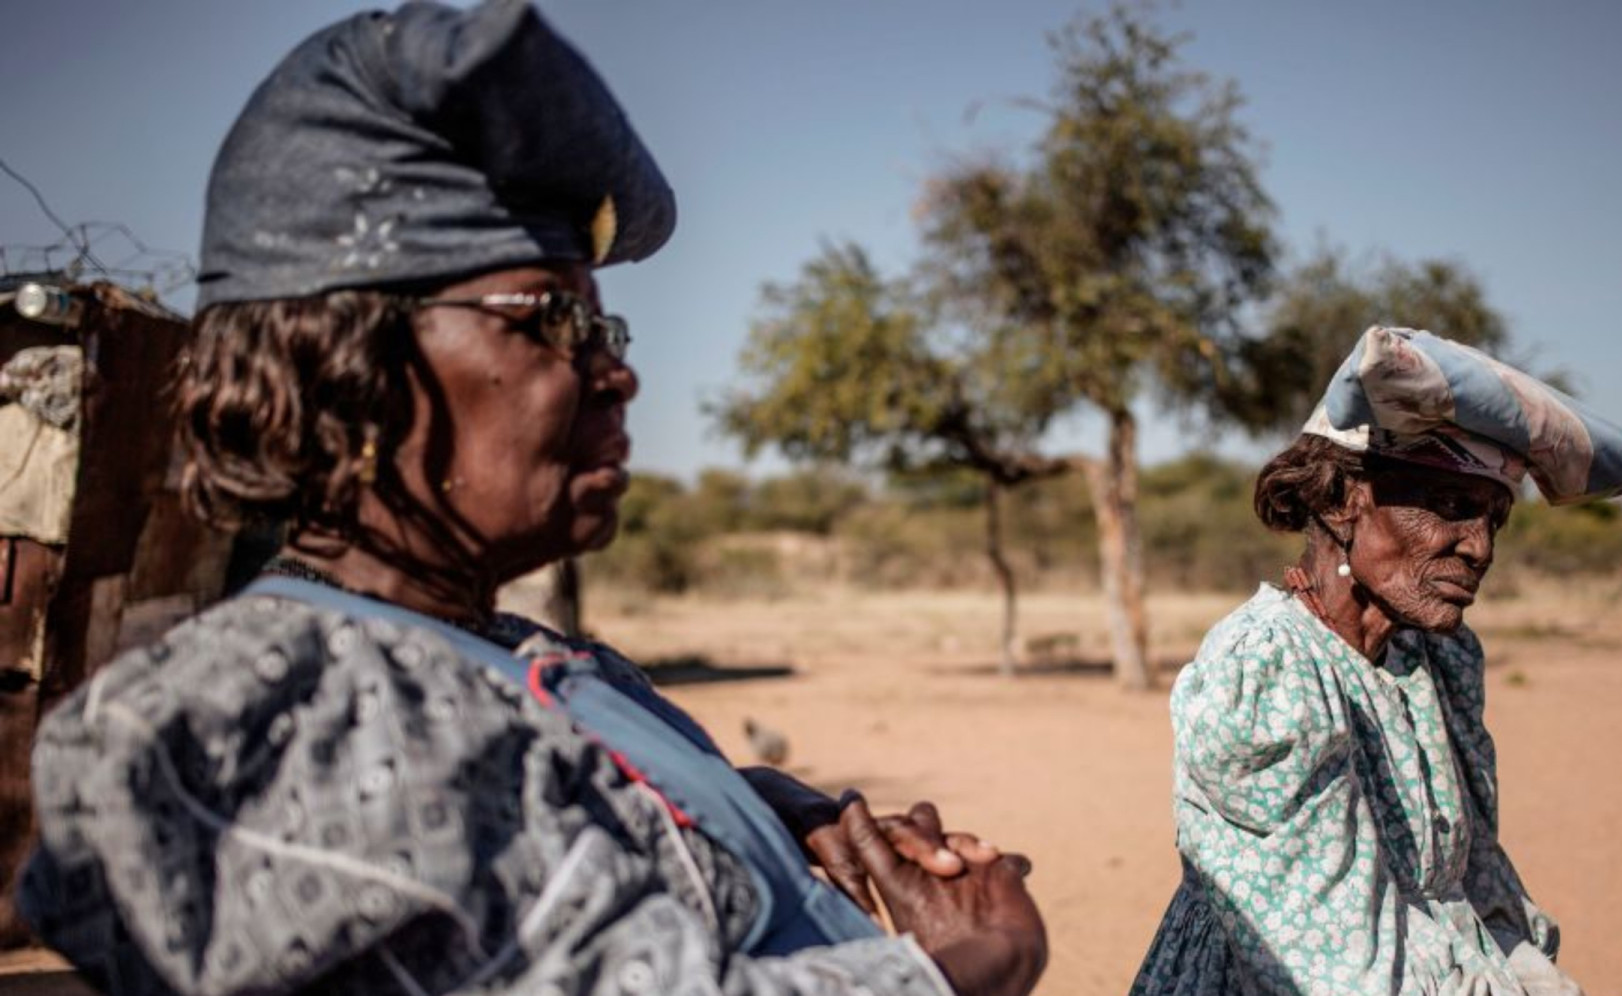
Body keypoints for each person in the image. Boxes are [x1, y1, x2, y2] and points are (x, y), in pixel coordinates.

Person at [16, 3, 1046, 994]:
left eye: (609, 331)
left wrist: (753, 818)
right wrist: (967, 968)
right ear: (347, 368)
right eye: (553, 322)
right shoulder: (251, 725)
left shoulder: (536, 664)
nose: (615, 372)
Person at [1130, 326, 1622, 996]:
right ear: (1339, 502)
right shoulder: (1267, 672)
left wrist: (1526, 967)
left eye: (1494, 520)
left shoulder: (1436, 656)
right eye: (1450, 507)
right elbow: (1336, 965)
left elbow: (1473, 872)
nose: (1479, 549)